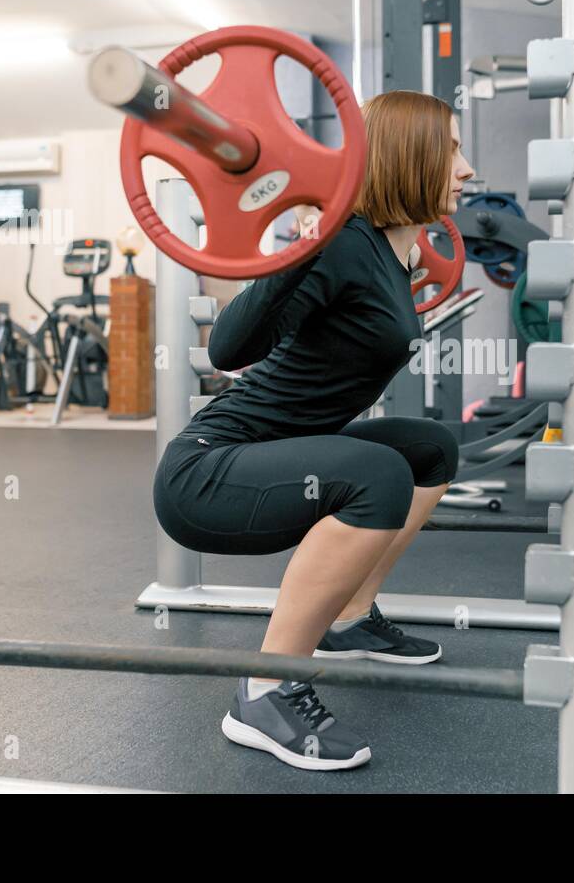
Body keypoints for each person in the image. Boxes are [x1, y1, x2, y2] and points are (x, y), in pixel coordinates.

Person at [153, 89, 474, 771]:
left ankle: (351, 618)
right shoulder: (341, 242)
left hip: (267, 455)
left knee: (429, 448)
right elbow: (228, 349)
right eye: (451, 149)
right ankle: (264, 691)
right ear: (408, 157)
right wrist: (304, 244)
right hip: (207, 471)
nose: (467, 167)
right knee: (379, 475)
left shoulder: (389, 251)